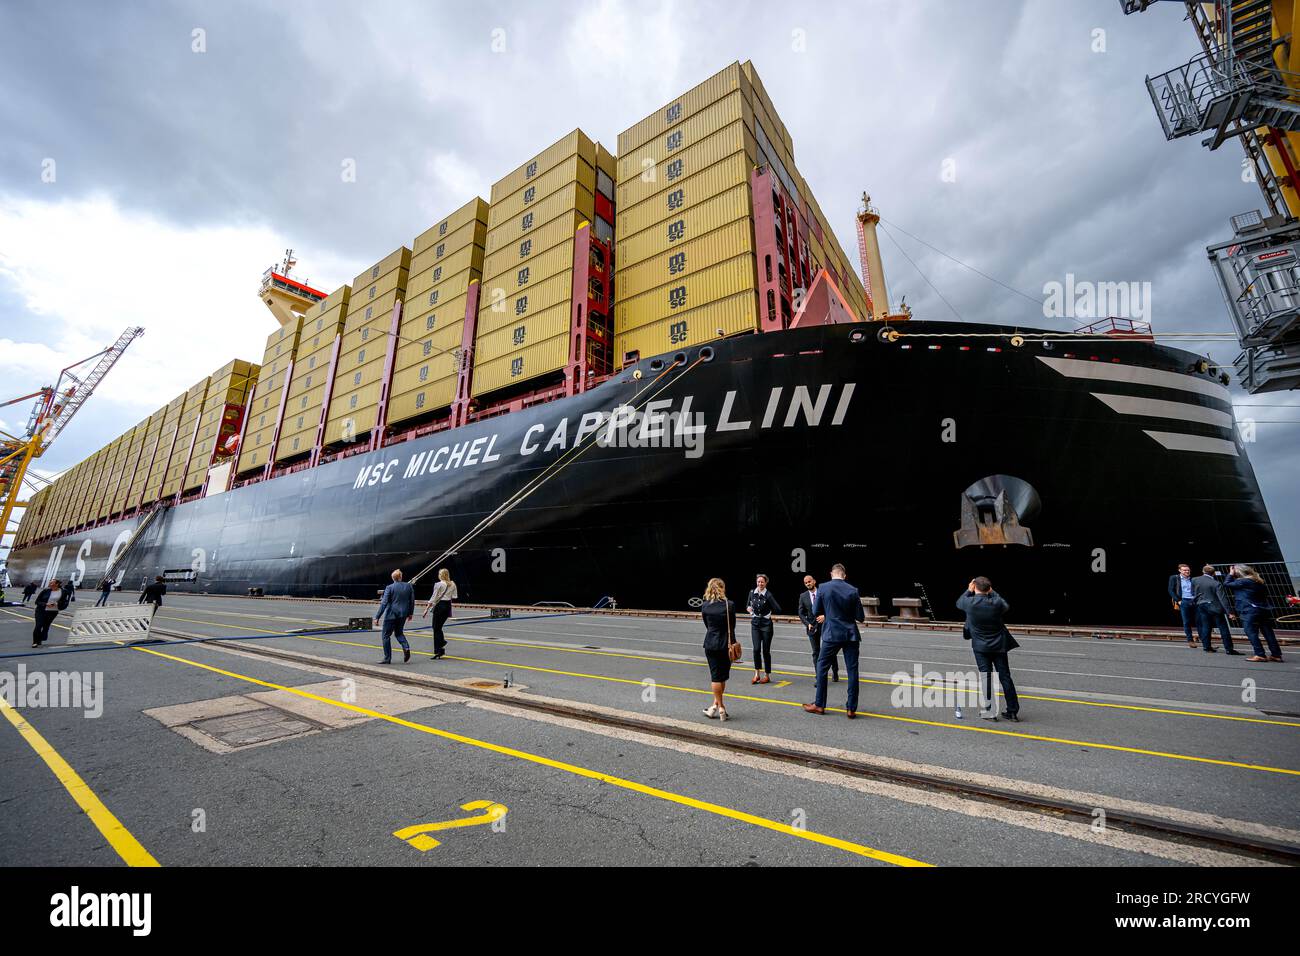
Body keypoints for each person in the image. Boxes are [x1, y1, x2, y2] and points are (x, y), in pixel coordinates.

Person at [803, 564, 864, 718]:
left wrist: (829, 613)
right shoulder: (853, 590)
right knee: (852, 671)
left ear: (831, 574)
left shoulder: (823, 588)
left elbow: (815, 611)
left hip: (831, 634)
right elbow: (860, 617)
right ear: (844, 575)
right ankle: (851, 708)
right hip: (850, 634)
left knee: (822, 667)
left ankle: (819, 704)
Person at [956, 577, 1021, 721]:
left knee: (986, 677)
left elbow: (959, 603)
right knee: (1005, 677)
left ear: (974, 587)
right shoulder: (996, 602)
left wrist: (968, 590)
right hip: (999, 646)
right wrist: (992, 592)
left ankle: (990, 711)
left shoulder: (969, 603)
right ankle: (1012, 711)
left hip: (980, 647)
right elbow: (1006, 606)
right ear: (989, 588)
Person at [1224, 565, 1283, 662]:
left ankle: (1260, 654)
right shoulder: (1258, 581)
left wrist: (1230, 574)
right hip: (1262, 609)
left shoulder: (1244, 581)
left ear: (1239, 573)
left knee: (1251, 632)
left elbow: (1227, 584)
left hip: (1249, 610)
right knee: (1268, 633)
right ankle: (1276, 654)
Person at [700, 577, 739, 721]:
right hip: (726, 645)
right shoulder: (730, 605)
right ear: (723, 588)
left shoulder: (705, 606)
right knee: (722, 676)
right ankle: (716, 706)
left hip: (711, 643)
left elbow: (707, 625)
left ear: (709, 588)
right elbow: (732, 625)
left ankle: (719, 707)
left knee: (716, 677)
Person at [797, 574, 837, 682]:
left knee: (830, 650)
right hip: (812, 627)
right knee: (816, 652)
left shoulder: (823, 592)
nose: (808, 584)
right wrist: (807, 624)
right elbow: (800, 613)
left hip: (826, 625)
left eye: (809, 581)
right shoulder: (803, 596)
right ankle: (819, 676)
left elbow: (832, 607)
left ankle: (835, 671)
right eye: (806, 583)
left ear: (814, 581)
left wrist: (825, 616)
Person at [1192, 564, 1239, 654]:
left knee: (1206, 626)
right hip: (1215, 607)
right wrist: (1229, 612)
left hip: (1201, 605)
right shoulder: (1216, 583)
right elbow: (1222, 598)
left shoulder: (1194, 579)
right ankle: (1229, 649)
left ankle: (1207, 647)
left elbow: (1193, 592)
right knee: (1223, 628)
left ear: (1203, 571)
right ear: (1213, 573)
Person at [745, 573, 782, 684]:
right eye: (758, 581)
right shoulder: (752, 592)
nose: (760, 583)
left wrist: (769, 612)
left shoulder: (768, 595)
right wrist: (750, 610)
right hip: (755, 624)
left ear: (766, 583)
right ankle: (756, 674)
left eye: (762, 582)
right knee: (756, 649)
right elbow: (748, 605)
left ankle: (767, 675)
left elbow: (778, 609)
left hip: (766, 625)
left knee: (766, 651)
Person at [376, 569, 414, 664]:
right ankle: (406, 647)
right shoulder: (408, 586)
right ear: (401, 577)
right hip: (403, 614)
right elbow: (412, 601)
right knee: (399, 633)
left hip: (391, 615)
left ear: (393, 578)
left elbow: (384, 603)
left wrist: (377, 617)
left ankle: (387, 658)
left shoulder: (389, 587)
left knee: (385, 635)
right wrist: (410, 613)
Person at [421, 568, 458, 659]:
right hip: (447, 606)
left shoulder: (438, 584)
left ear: (440, 575)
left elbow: (433, 598)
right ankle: (441, 646)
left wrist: (426, 609)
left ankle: (439, 649)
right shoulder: (453, 584)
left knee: (435, 627)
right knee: (438, 627)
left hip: (440, 606)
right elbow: (454, 596)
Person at [32, 579, 71, 648]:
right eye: (50, 583)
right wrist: (46, 604)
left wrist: (58, 604)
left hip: (53, 612)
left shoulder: (64, 591)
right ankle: (35, 642)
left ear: (57, 584)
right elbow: (37, 602)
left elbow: (65, 601)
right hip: (41, 610)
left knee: (46, 626)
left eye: (51, 583)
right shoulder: (45, 591)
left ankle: (40, 639)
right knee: (38, 626)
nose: (50, 584)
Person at [1167, 563, 1198, 647]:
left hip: (1194, 601)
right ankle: (1190, 640)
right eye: (1184, 570)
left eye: (1188, 570)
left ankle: (1205, 641)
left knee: (1200, 621)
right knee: (1186, 622)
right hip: (1183, 601)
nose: (1187, 571)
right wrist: (1178, 600)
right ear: (1179, 570)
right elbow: (1170, 590)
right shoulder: (1174, 578)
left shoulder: (1193, 579)